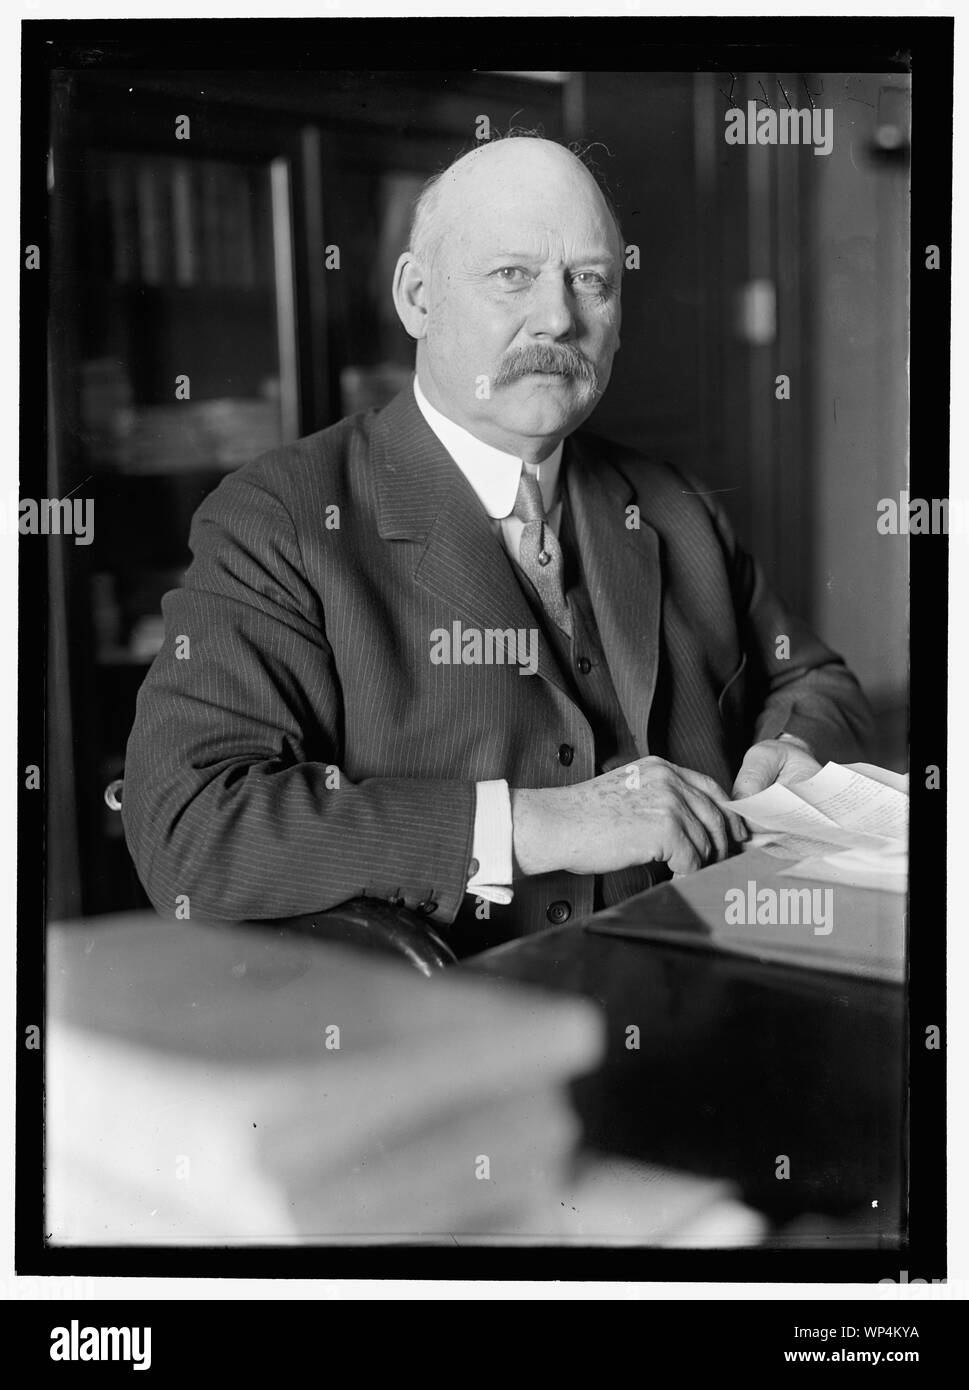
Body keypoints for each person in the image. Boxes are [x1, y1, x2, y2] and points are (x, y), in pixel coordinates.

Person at [122, 134, 871, 954]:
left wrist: (792, 747)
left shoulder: (674, 504)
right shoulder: (281, 517)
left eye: (591, 281)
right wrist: (532, 823)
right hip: (454, 1020)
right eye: (512, 275)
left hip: (707, 980)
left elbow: (811, 678)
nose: (559, 317)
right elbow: (191, 827)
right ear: (417, 298)